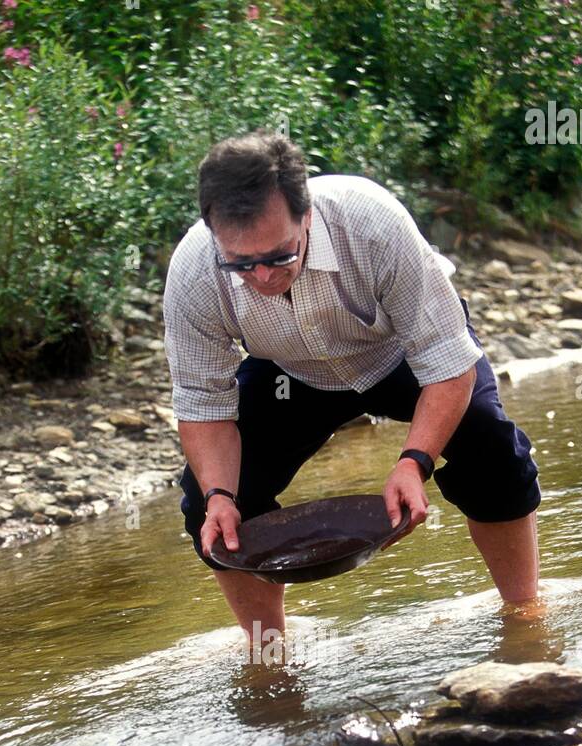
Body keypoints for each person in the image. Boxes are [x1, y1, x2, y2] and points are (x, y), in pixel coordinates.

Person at [162, 129, 540, 644]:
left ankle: (526, 619)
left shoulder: (371, 222)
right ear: (214, 232)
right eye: (241, 263)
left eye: (278, 256)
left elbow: (447, 362)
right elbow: (204, 405)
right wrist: (220, 494)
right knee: (207, 503)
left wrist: (415, 462)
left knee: (488, 444)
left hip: (398, 351)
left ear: (307, 215)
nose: (263, 277)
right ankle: (270, 657)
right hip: (289, 374)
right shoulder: (193, 272)